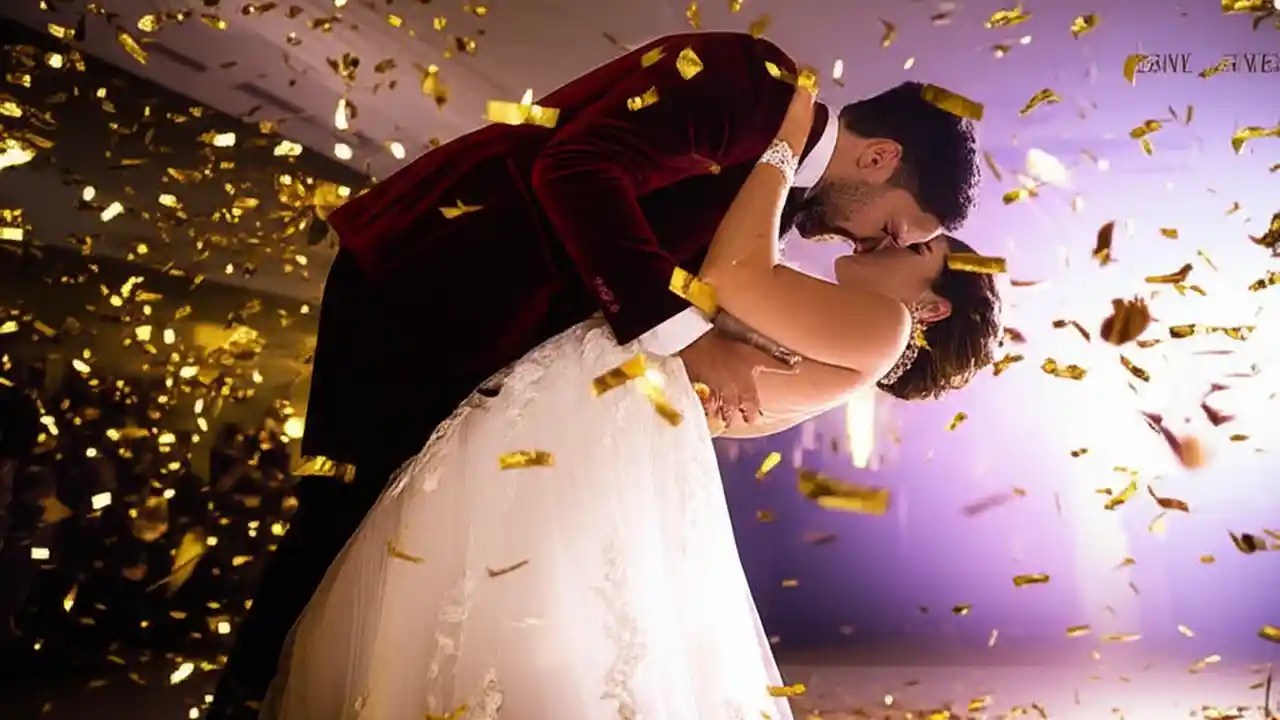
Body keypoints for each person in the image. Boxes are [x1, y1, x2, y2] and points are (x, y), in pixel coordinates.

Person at [208, 30, 986, 718]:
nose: (868, 243)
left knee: (422, 544)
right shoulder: (752, 82)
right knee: (342, 508)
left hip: (506, 340)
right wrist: (688, 345)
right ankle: (245, 702)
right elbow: (575, 168)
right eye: (888, 228)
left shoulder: (775, 199)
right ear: (880, 159)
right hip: (426, 278)